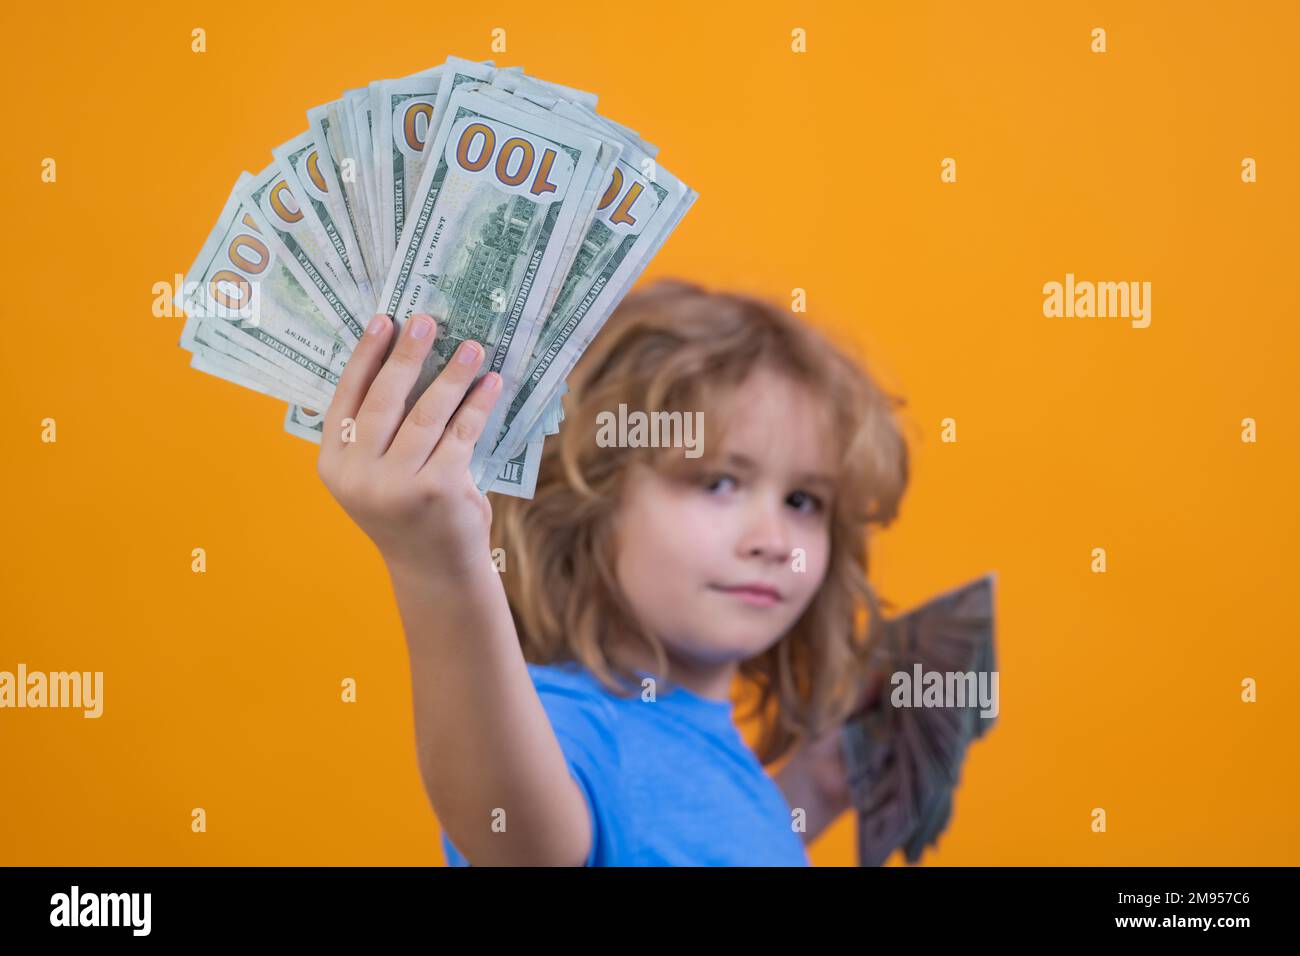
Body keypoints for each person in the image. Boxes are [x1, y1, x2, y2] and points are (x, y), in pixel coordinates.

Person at [315, 278, 910, 865]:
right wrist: (439, 567)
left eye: (803, 501)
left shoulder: (706, 745)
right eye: (719, 482)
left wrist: (811, 791)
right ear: (587, 500)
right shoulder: (560, 726)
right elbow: (519, 845)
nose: (775, 541)